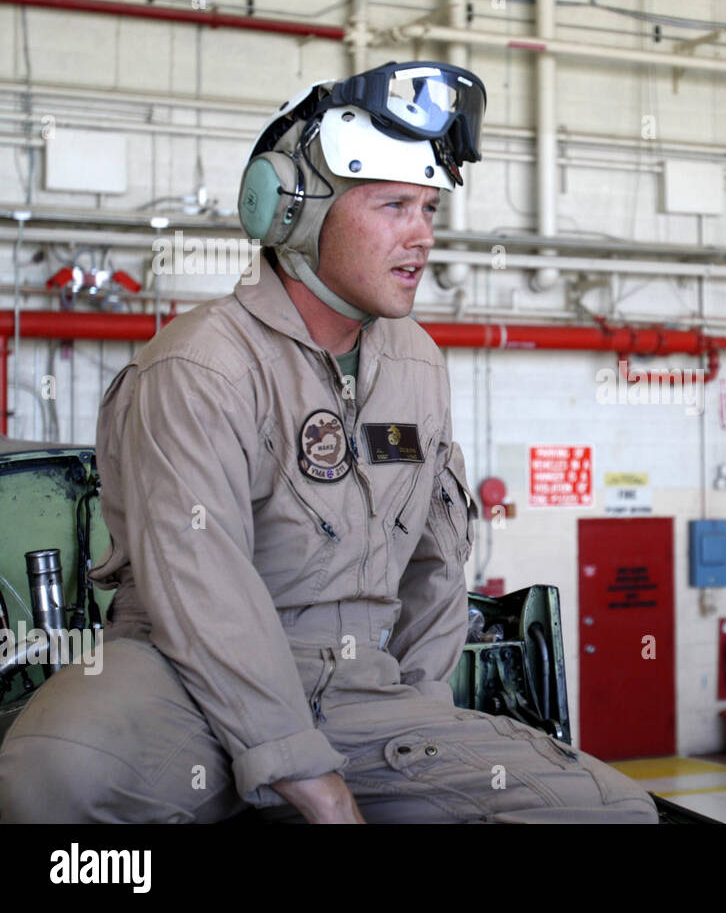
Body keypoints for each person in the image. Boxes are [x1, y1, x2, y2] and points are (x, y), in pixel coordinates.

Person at [0, 61, 658, 824]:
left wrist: (417, 718)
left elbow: (438, 565)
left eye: (429, 208)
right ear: (292, 213)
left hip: (357, 686)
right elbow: (201, 585)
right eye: (392, 206)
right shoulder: (199, 365)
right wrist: (304, 774)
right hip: (178, 675)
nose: (422, 236)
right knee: (54, 776)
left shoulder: (417, 366)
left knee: (612, 813)